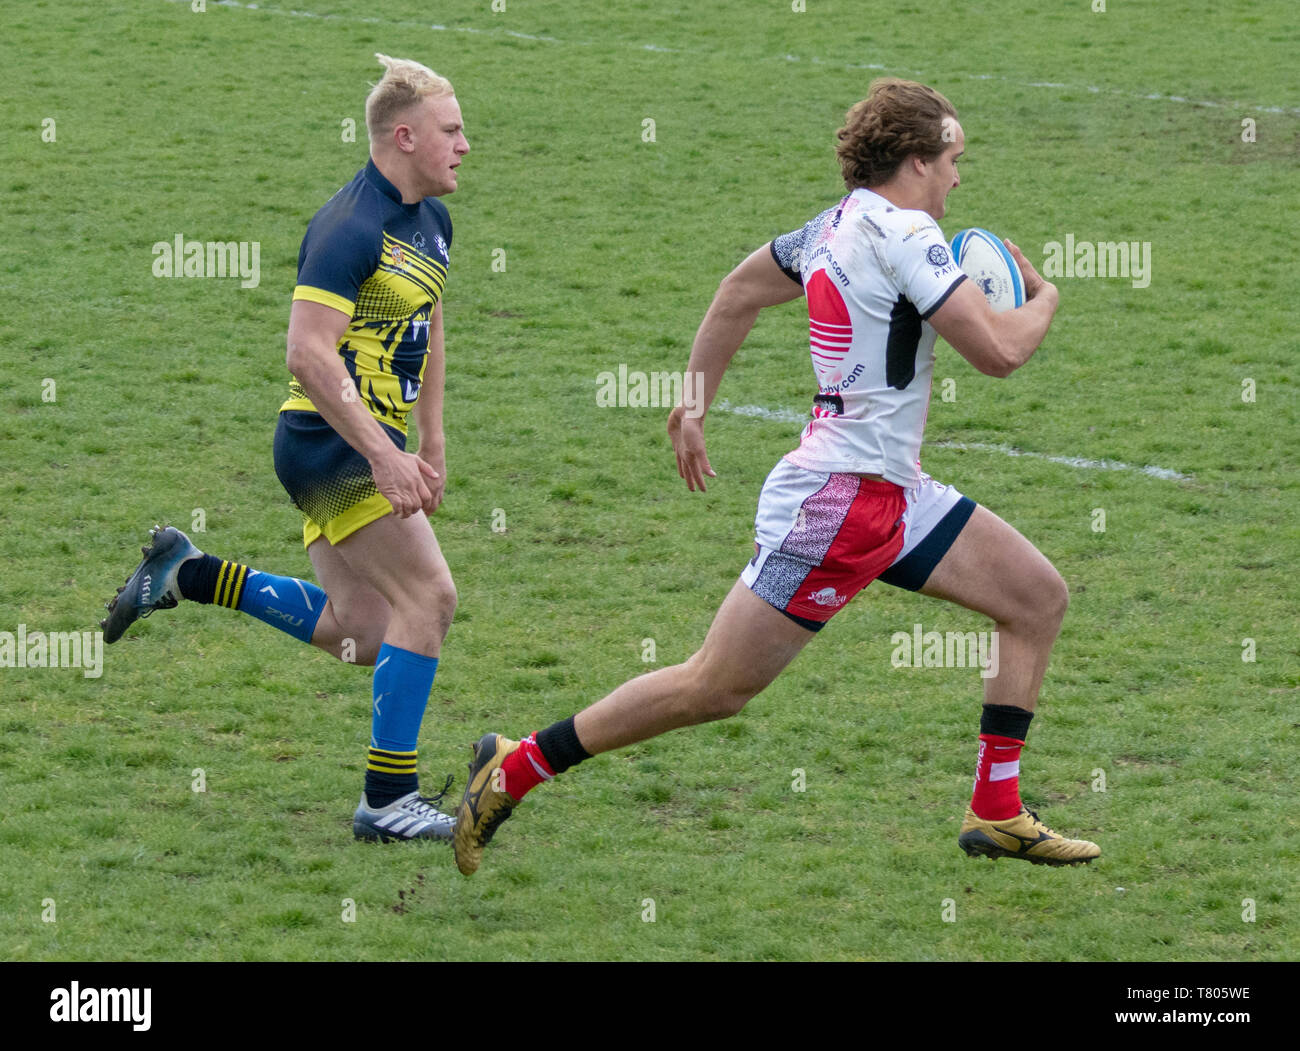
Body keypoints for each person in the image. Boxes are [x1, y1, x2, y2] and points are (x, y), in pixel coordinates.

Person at [453, 77, 1099, 874]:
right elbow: (999, 353)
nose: (958, 179)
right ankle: (512, 767)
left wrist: (693, 402)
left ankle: (997, 810)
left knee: (1036, 597)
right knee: (714, 687)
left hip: (891, 491)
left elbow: (736, 292)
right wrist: (1044, 297)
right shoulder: (907, 234)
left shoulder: (830, 228)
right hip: (843, 504)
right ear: (914, 160)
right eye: (953, 160)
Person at [100, 54, 469, 842]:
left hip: (364, 444)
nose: (465, 145)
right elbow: (307, 353)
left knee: (361, 632)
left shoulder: (432, 222)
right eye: (451, 130)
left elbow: (429, 320)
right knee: (430, 599)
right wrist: (382, 453)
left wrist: (430, 435)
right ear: (403, 137)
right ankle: (387, 800)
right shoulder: (350, 227)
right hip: (326, 443)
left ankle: (189, 573)